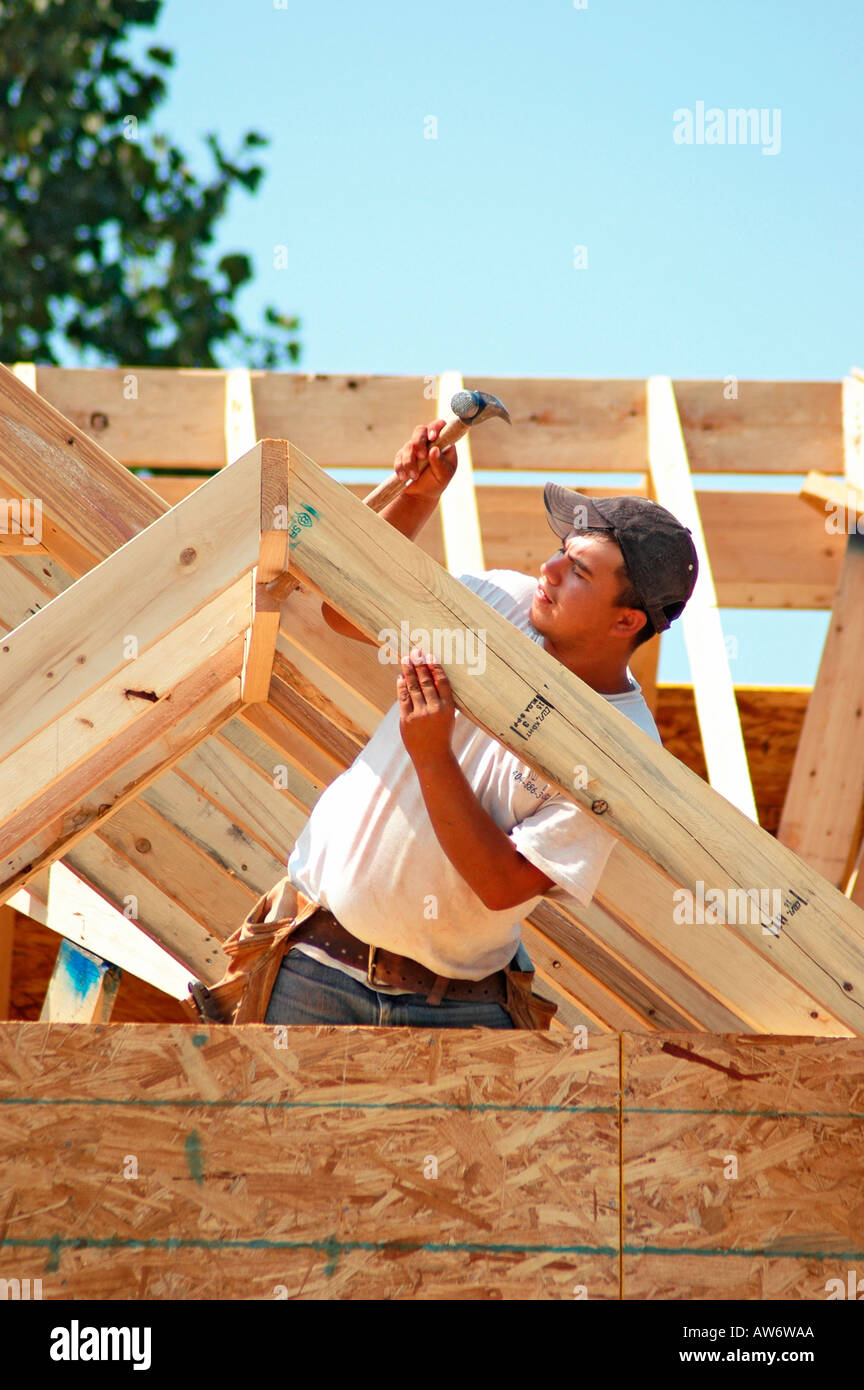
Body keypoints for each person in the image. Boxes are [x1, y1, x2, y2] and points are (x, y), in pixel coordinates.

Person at [262, 418, 698, 1029]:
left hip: (456, 1013)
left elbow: (502, 885)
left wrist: (432, 754)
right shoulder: (499, 604)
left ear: (627, 623)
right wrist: (416, 500)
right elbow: (344, 614)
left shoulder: (624, 749)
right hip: (313, 969)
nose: (548, 570)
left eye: (579, 572)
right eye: (560, 553)